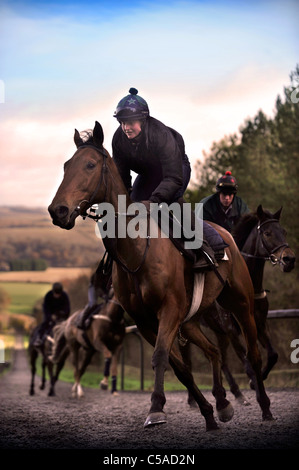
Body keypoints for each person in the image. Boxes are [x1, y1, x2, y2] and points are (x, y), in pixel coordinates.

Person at [112, 87, 227, 270]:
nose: (126, 128)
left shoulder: (161, 135)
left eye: (130, 122)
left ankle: (206, 247)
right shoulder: (118, 139)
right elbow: (123, 178)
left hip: (175, 170)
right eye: (122, 123)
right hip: (148, 173)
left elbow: (173, 178)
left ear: (142, 120)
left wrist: (154, 201)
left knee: (170, 202)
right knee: (132, 207)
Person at [33, 282, 70, 347]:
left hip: (61, 316)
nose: (57, 296)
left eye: (58, 294)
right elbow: (45, 308)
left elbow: (67, 308)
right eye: (56, 294)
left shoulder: (65, 296)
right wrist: (50, 316)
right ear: (53, 292)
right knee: (45, 323)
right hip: (49, 315)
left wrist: (61, 314)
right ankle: (39, 338)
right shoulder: (48, 295)